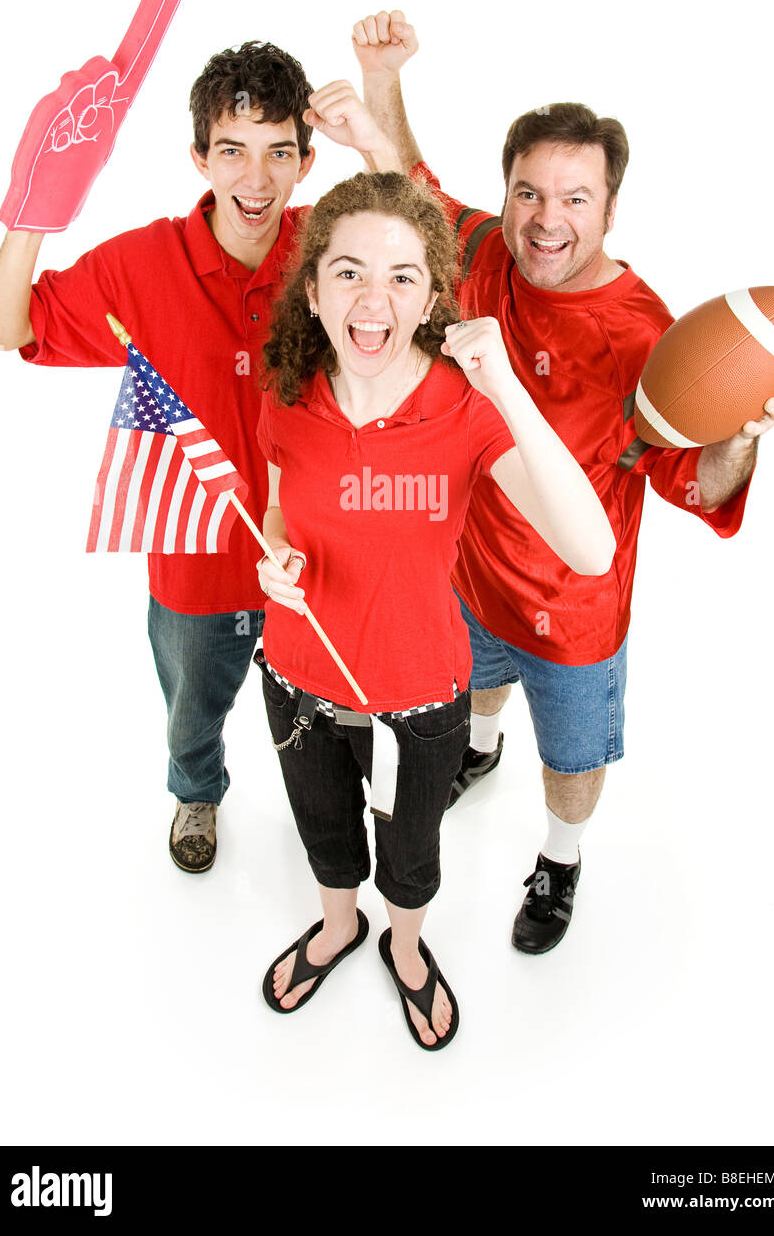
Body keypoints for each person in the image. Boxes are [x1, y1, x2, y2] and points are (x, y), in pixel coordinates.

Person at [353, 10, 774, 955]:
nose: (546, 220)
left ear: (609, 210)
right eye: (528, 193)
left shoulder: (645, 337)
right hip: (470, 572)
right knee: (474, 693)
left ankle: (561, 859)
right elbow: (414, 185)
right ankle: (481, 751)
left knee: (572, 762)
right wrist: (383, 74)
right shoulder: (482, 254)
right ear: (507, 196)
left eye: (573, 198)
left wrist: (746, 437)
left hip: (575, 610)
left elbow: (701, 484)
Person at [0, 35, 399, 875]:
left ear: (306, 161)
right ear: (198, 158)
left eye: (279, 152)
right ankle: (195, 791)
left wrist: (380, 141)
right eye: (233, 151)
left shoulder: (333, 248)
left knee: (334, 710)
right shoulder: (141, 263)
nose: (256, 178)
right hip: (196, 561)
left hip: (318, 552)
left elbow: (432, 254)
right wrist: (34, 207)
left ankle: (343, 818)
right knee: (192, 711)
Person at [253, 168, 616, 1047]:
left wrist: (506, 389)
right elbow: (274, 511)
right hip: (298, 680)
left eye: (402, 277)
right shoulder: (287, 397)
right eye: (349, 272)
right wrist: (272, 566)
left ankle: (405, 948)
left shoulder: (462, 408)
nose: (374, 299)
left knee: (410, 851)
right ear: (313, 288)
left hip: (419, 696)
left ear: (430, 298)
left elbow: (591, 549)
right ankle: (341, 924)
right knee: (326, 831)